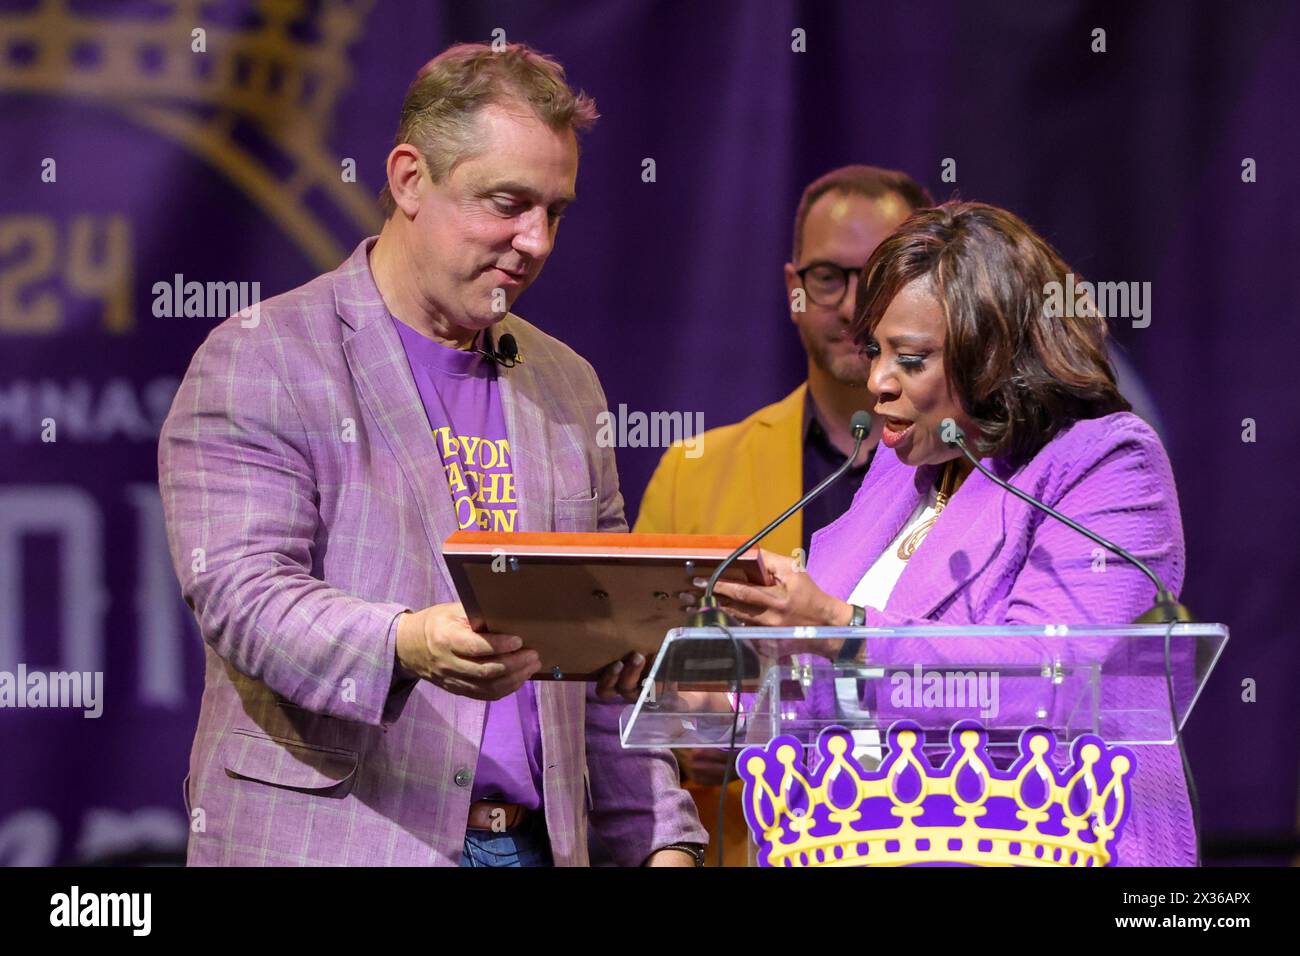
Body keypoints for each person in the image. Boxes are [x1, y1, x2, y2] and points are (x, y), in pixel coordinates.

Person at [158, 42, 705, 867]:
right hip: (332, 844)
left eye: (555, 210)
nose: (535, 241)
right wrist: (407, 643)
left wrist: (663, 841)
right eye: (507, 203)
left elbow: (608, 658)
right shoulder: (264, 356)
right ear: (410, 179)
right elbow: (242, 596)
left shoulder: (566, 384)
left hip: (532, 849)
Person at [703, 201, 1196, 866]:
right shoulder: (894, 468)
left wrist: (835, 625)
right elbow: (841, 683)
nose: (876, 382)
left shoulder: (1104, 463)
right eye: (875, 351)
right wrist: (730, 697)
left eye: (910, 359)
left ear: (994, 357)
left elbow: (1048, 674)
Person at [633, 166, 931, 864]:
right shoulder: (693, 471)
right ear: (793, 287)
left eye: (879, 276)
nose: (854, 305)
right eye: (829, 277)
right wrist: (686, 736)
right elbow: (632, 686)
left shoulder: (981, 476)